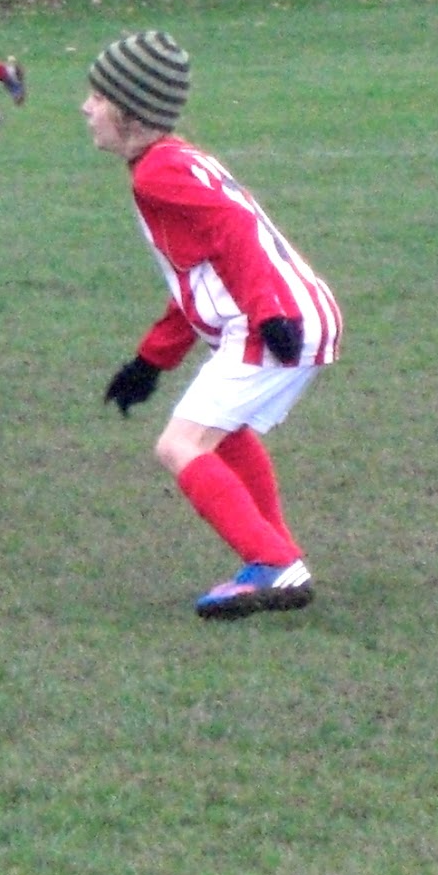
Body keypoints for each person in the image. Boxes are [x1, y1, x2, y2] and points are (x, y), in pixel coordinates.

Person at [85, 31, 343, 620]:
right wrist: (151, 362)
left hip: (275, 318)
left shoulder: (159, 174)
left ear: (127, 110)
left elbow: (235, 232)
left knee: (179, 445)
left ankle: (273, 563)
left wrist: (269, 312)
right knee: (219, 433)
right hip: (283, 312)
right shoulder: (170, 161)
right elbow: (199, 274)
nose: (86, 109)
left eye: (96, 97)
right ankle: (279, 556)